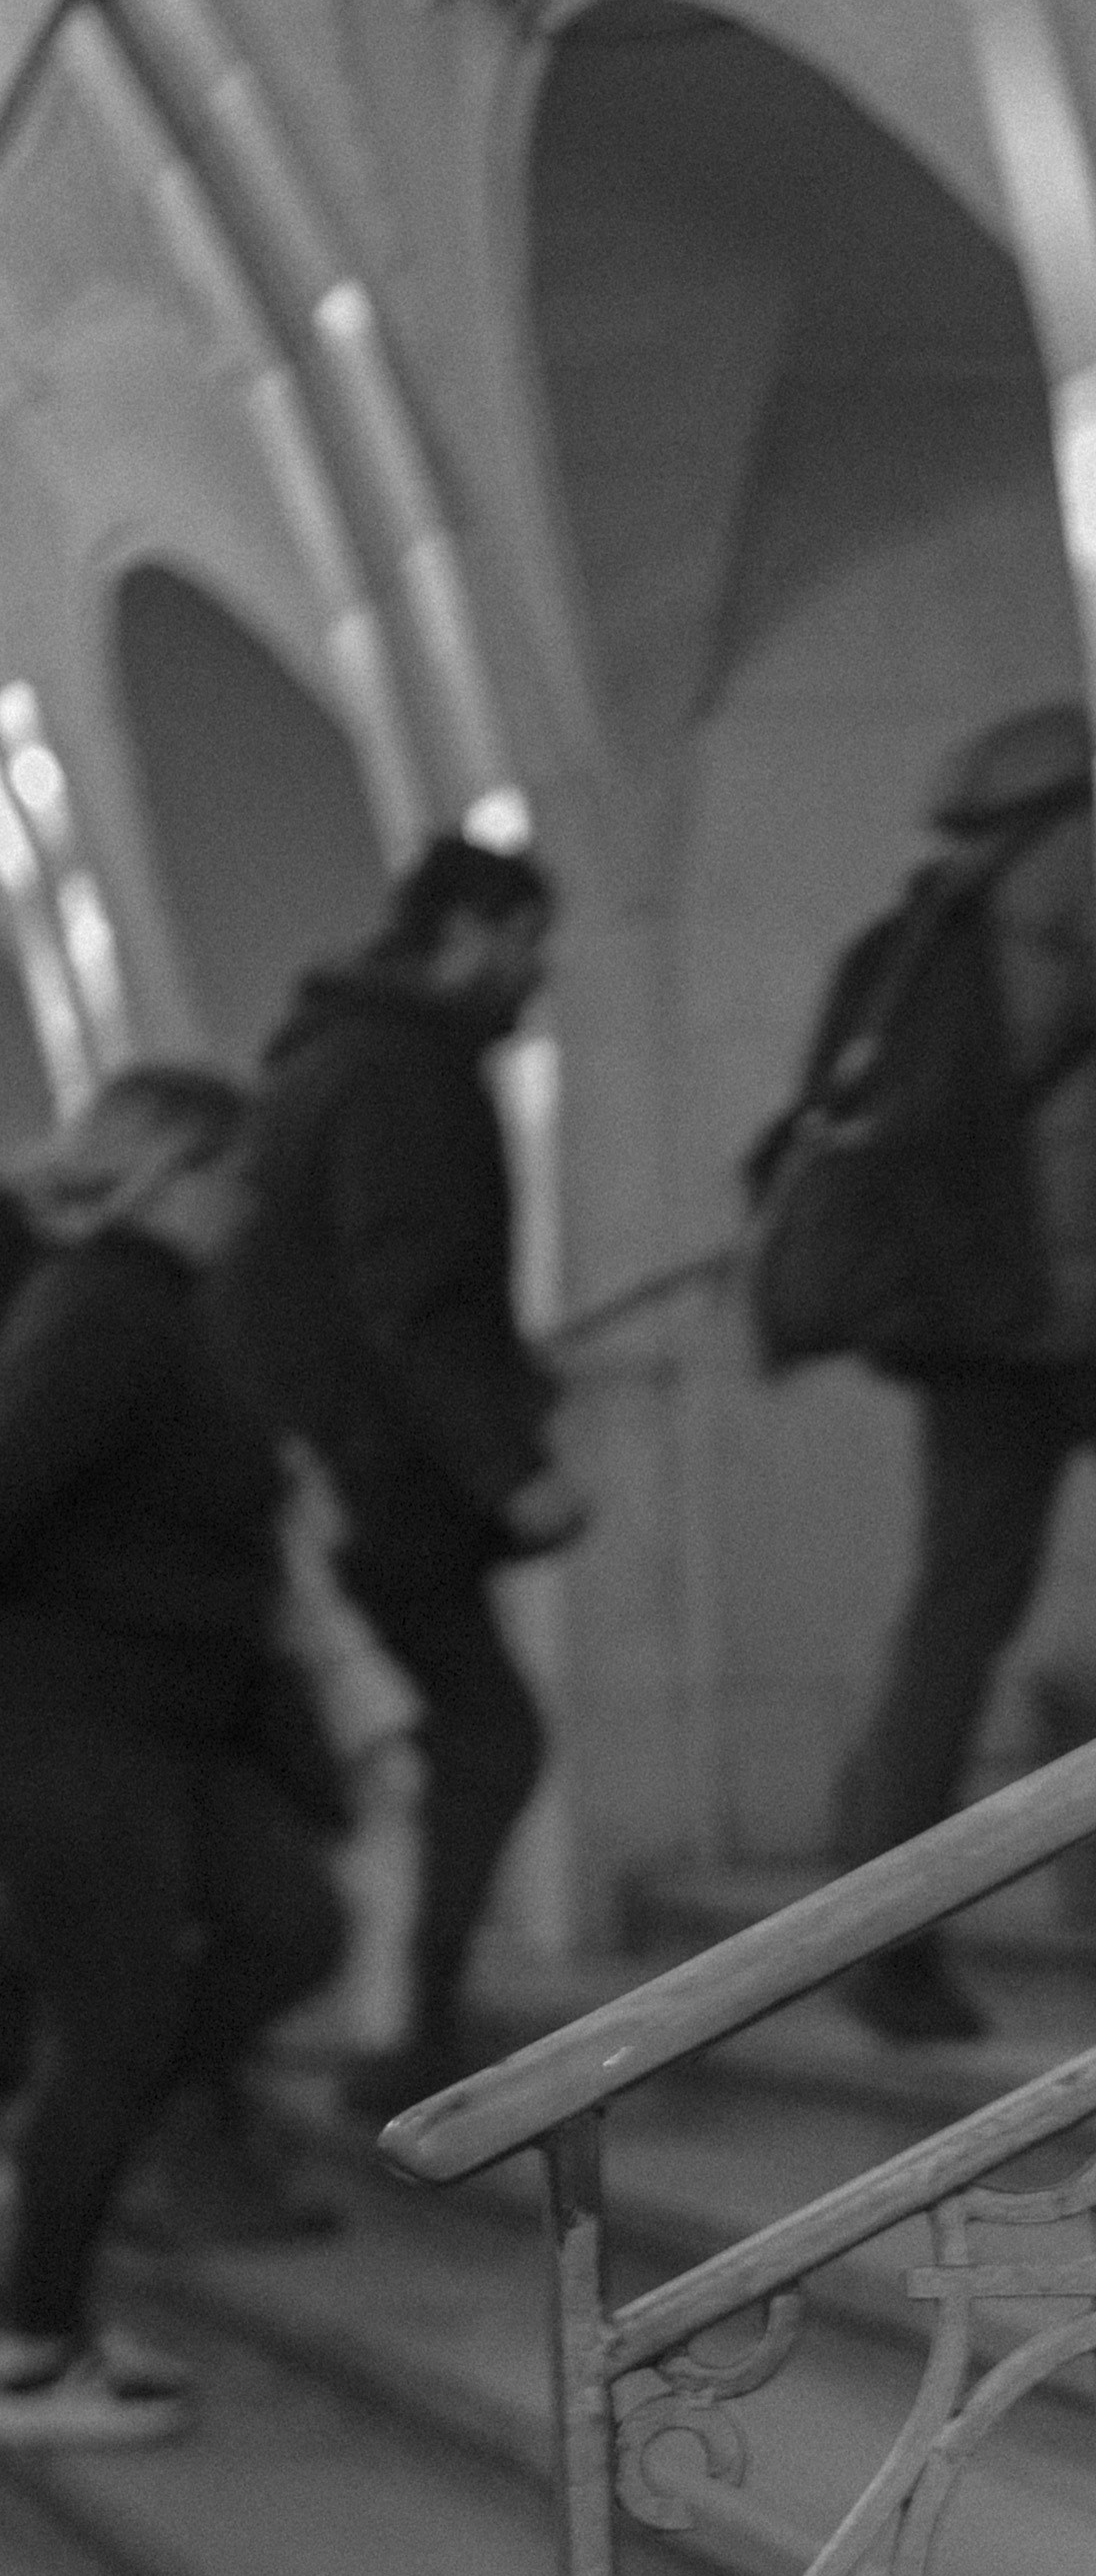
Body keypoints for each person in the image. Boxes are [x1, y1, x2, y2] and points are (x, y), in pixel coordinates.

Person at [0, 1069, 345, 2449]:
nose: (249, 1202)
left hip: (172, 1730)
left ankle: (56, 2188)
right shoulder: (103, 1312)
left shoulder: (150, 1310)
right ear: (167, 1171)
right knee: (118, 2029)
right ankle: (31, 2347)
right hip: (82, 1726)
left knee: (292, 1926)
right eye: (233, 1176)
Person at [226, 833, 576, 2127]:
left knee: (392, 1757)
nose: (538, 971)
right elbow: (414, 1300)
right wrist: (512, 1468)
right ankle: (411, 2027)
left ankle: (391, 2022)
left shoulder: (320, 1062)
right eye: (530, 939)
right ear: (469, 929)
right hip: (386, 1490)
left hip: (325, 1479)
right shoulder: (405, 1075)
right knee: (484, 1738)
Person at [815, 703, 1096, 2052]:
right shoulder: (1087, 877)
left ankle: (881, 1918)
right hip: (1082, 1308)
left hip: (963, 1318)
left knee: (950, 1618)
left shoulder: (924, 923)